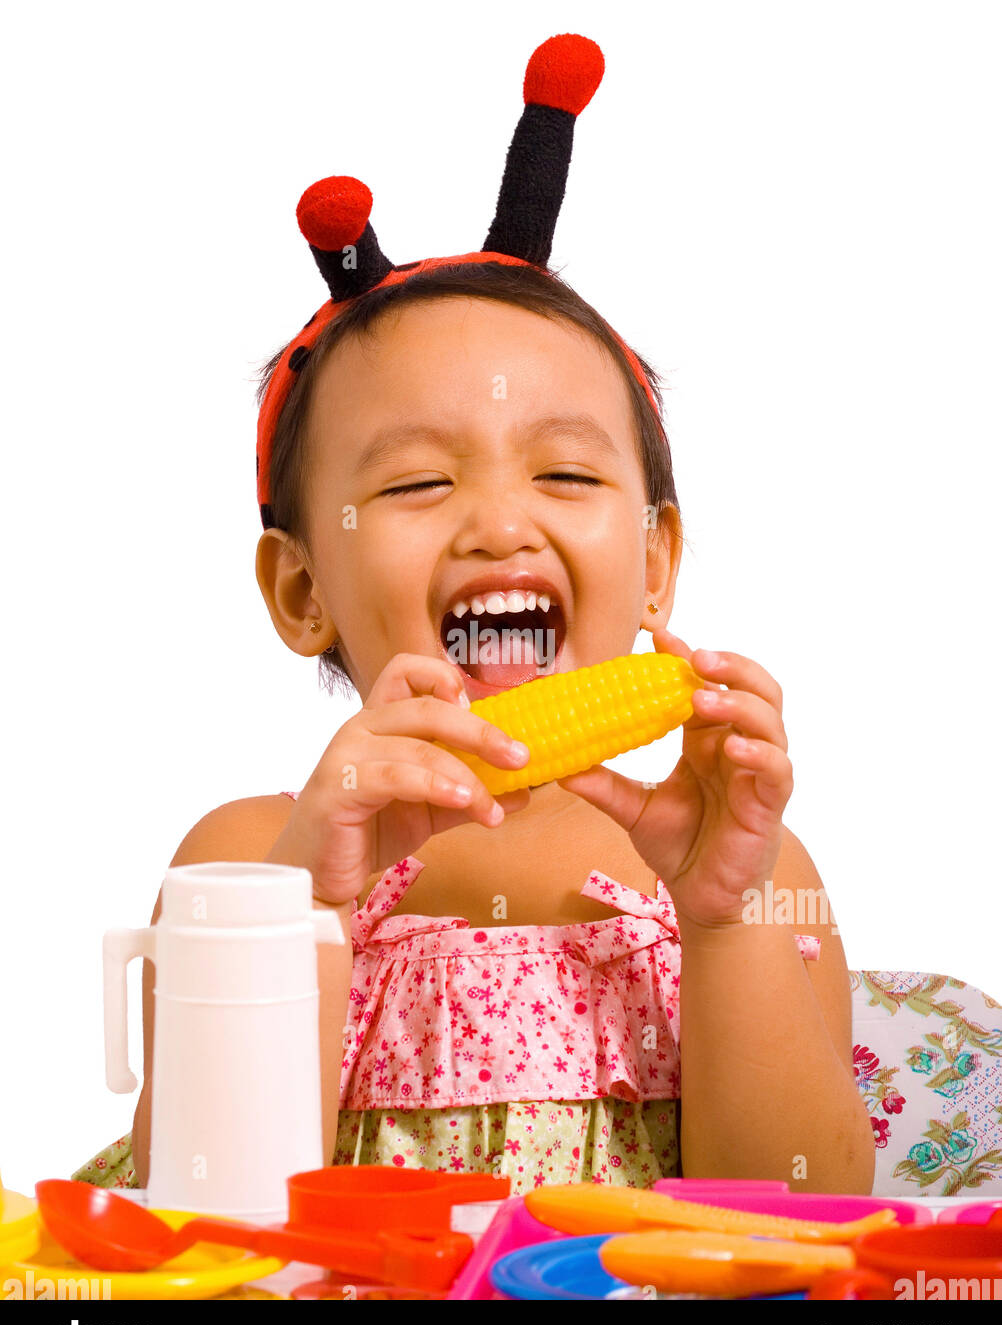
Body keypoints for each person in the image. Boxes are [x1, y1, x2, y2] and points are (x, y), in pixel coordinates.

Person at [71, 34, 875, 1198]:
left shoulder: (742, 865)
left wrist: (723, 913)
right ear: (303, 592)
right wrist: (315, 898)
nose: (500, 524)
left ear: (654, 563)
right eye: (415, 484)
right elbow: (202, 1211)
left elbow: (807, 1220)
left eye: (564, 475)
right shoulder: (250, 862)